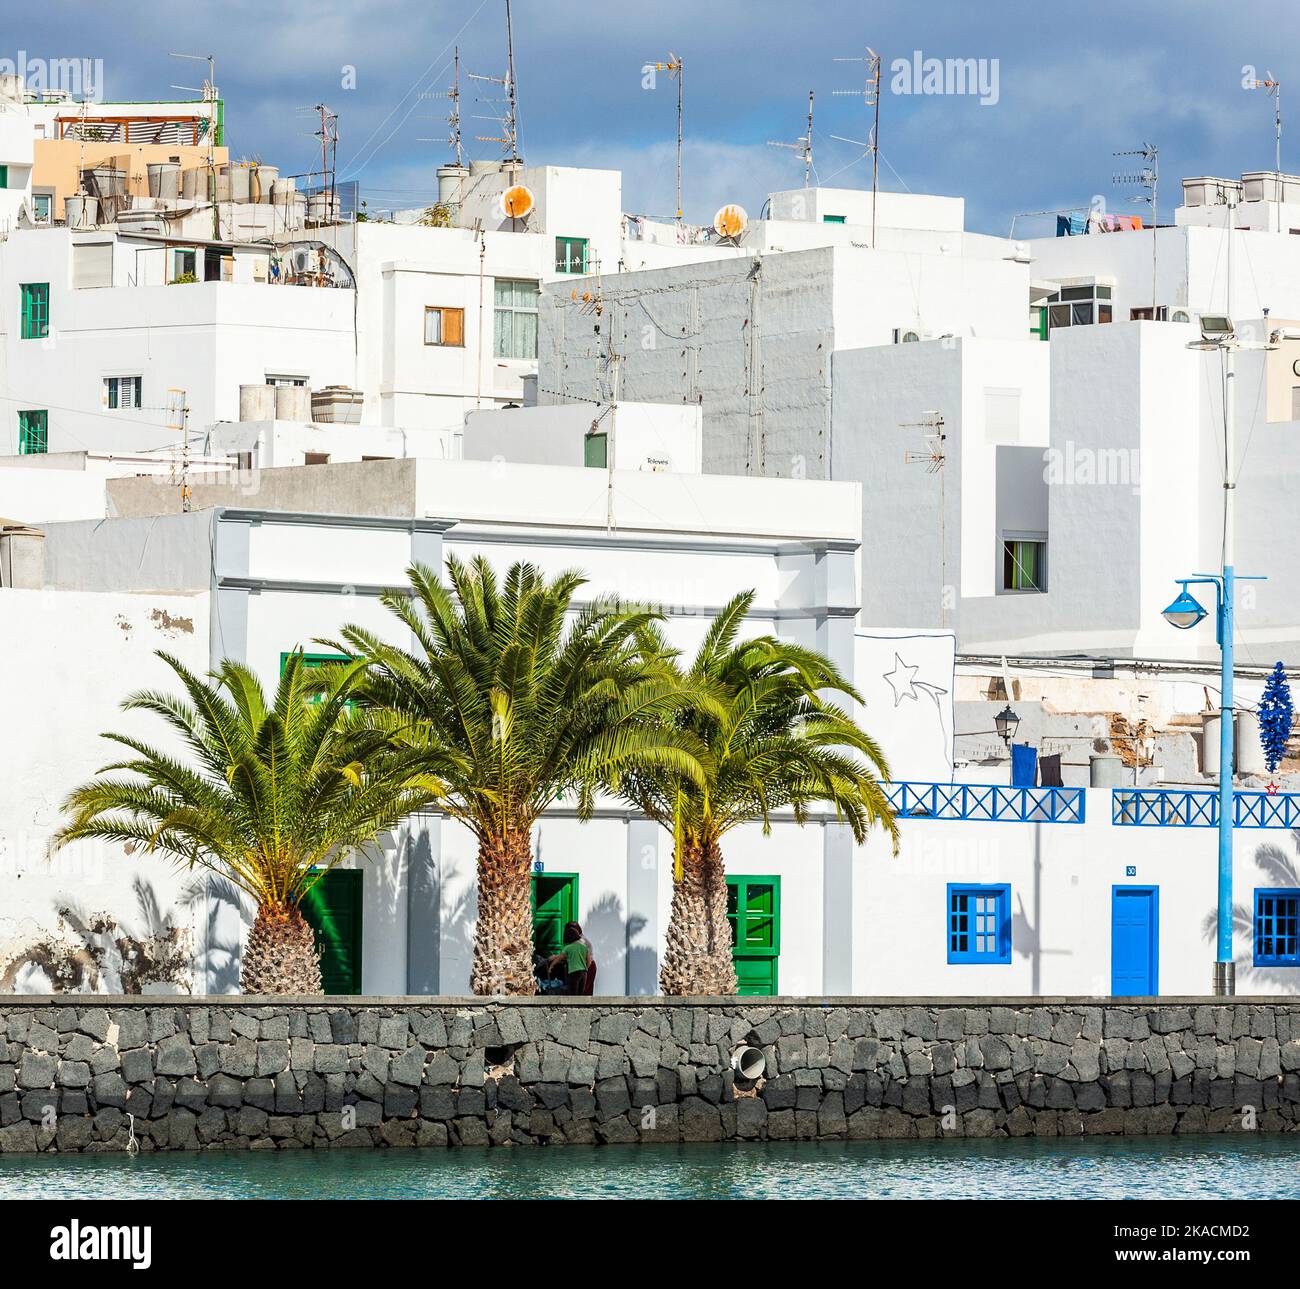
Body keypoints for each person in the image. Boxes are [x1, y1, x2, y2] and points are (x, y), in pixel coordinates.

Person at [547, 921, 590, 995]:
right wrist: (586, 968)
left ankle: (573, 1006)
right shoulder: (584, 947)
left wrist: (551, 966)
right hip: (584, 972)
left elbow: (559, 958)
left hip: (573, 972)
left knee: (573, 993)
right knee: (580, 993)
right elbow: (589, 960)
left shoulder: (567, 948)